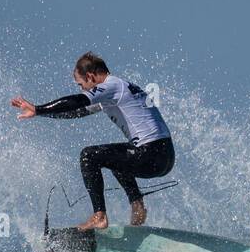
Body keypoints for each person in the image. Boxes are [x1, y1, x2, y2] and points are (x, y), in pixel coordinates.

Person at [11, 52, 174, 230]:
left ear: (90, 76)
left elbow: (78, 101)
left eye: (81, 84)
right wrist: (40, 114)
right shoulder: (117, 89)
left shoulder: (111, 85)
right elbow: (76, 111)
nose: (82, 89)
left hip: (150, 154)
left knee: (89, 155)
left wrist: (37, 108)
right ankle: (137, 206)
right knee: (114, 158)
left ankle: (99, 216)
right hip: (164, 156)